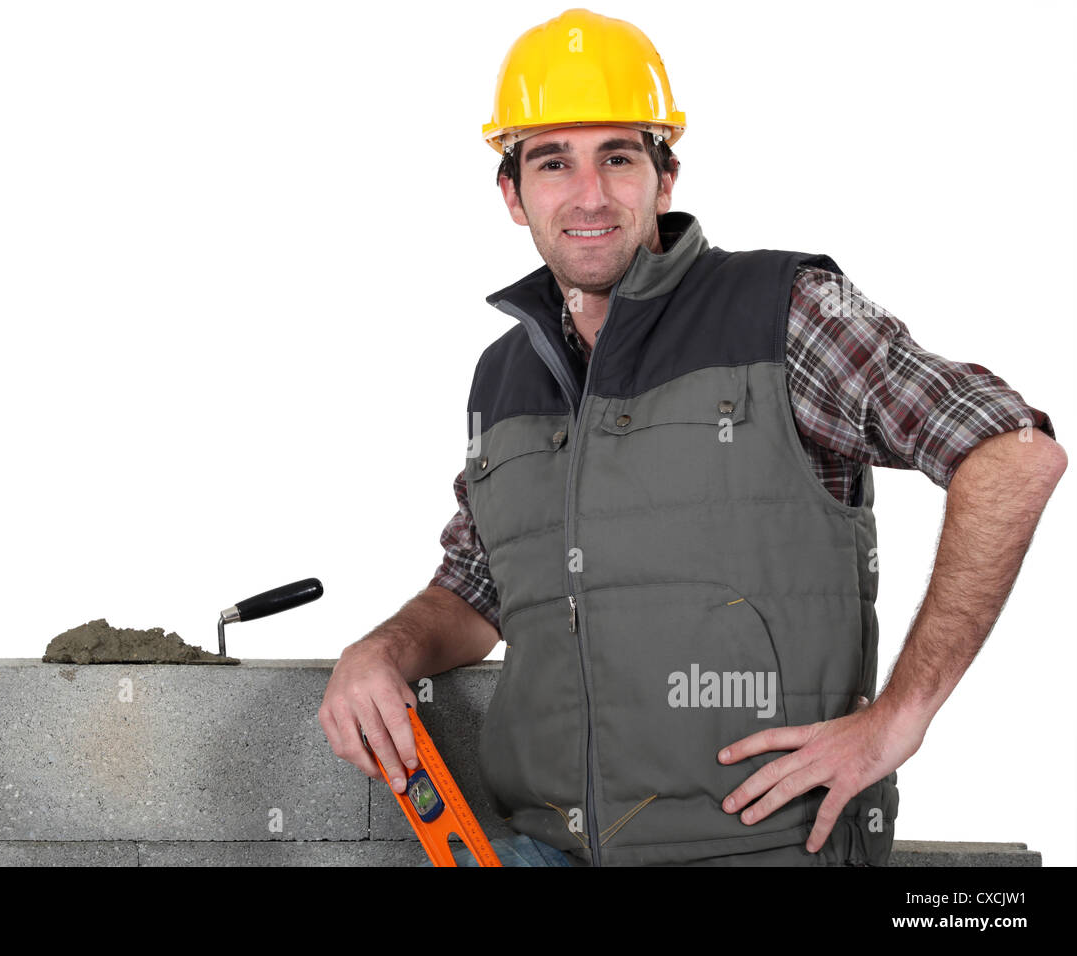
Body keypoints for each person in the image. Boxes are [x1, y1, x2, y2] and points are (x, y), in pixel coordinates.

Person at [318, 8, 1066, 866]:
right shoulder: (505, 375)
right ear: (512, 195)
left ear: (664, 177)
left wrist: (900, 718)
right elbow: (476, 589)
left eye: (620, 157)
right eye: (553, 161)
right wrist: (382, 649)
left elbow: (1012, 451)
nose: (590, 193)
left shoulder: (784, 312)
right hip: (542, 848)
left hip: (758, 849)